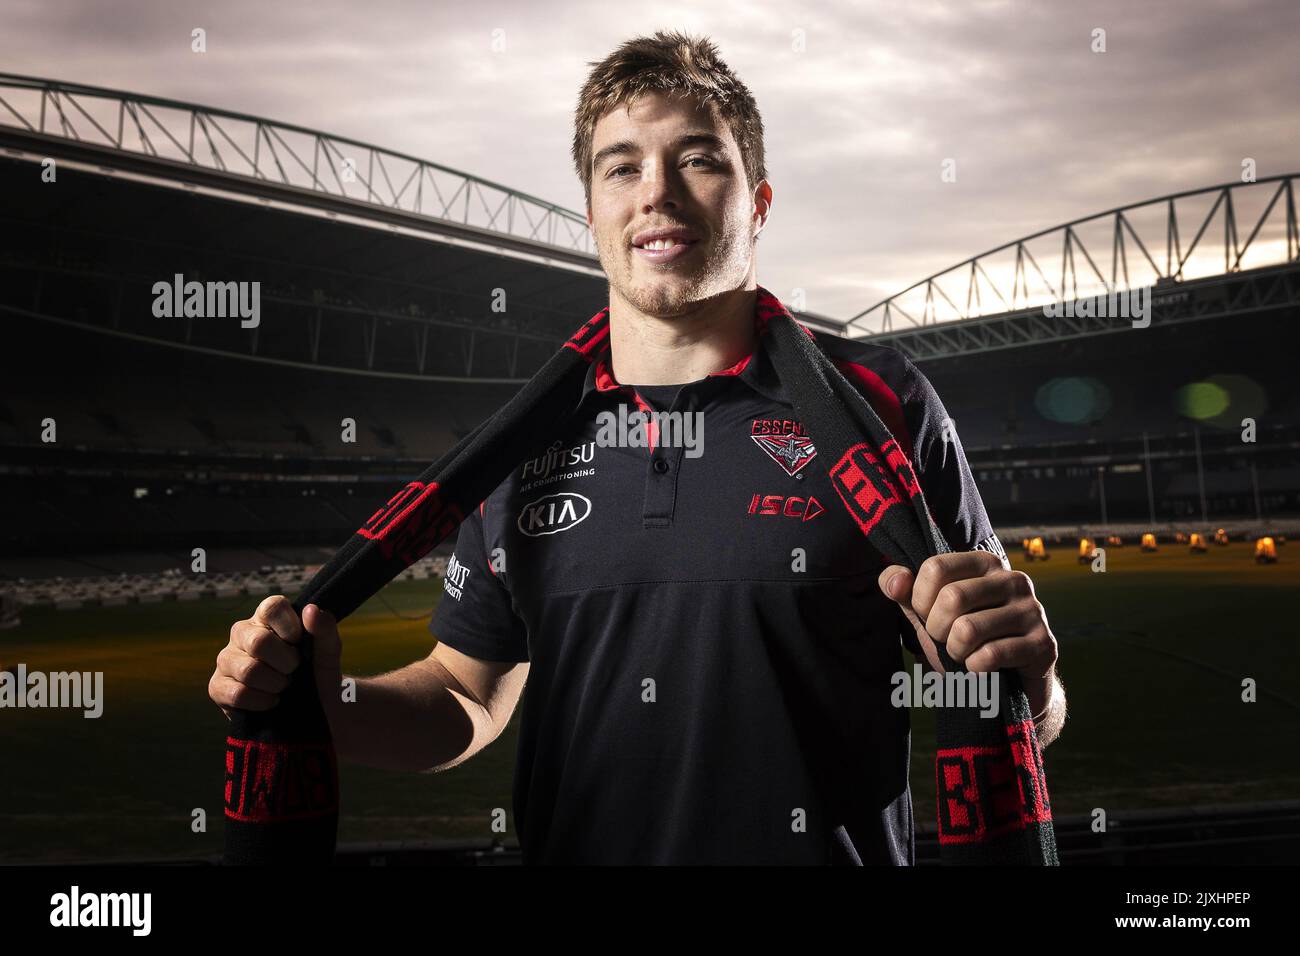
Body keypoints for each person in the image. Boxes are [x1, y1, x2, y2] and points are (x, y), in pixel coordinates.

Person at [209, 30, 1065, 865]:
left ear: (757, 201)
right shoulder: (521, 439)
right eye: (622, 167)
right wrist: (328, 702)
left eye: (698, 159)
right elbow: (468, 695)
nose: (656, 193)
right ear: (593, 213)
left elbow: (1000, 682)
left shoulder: (881, 405)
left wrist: (1032, 676)